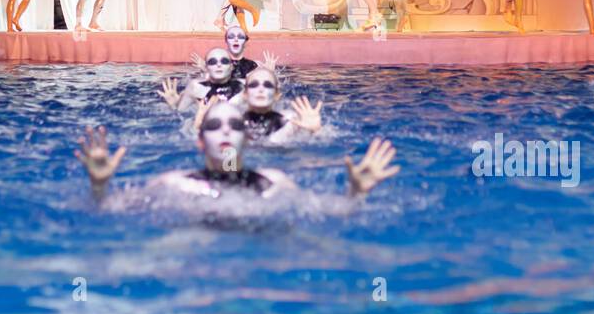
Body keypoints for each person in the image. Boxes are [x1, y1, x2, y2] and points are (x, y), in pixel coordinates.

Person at [75, 104, 398, 205]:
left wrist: (355, 193)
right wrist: (99, 187)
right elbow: (104, 214)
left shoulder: (274, 183)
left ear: (247, 139)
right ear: (200, 142)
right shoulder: (174, 184)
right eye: (215, 125)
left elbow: (336, 217)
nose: (227, 130)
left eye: (234, 125)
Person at [191, 66, 322, 145]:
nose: (261, 89)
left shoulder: (291, 122)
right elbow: (228, 167)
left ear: (277, 95)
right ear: (245, 94)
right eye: (254, 85)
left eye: (267, 85)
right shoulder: (231, 124)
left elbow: (312, 160)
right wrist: (198, 126)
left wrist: (316, 131)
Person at [160, 47, 245, 113]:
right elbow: (180, 115)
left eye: (224, 61)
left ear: (231, 66)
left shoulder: (245, 87)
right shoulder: (196, 87)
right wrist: (174, 105)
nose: (219, 64)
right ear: (206, 67)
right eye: (212, 62)